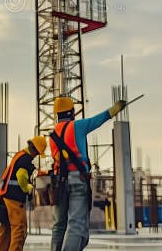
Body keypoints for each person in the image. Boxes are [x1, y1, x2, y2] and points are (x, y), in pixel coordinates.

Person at [50, 96, 127, 251]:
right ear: (72, 112)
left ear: (56, 114)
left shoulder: (53, 135)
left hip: (58, 181)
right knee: (76, 224)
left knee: (59, 225)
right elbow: (98, 119)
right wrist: (115, 109)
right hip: (77, 179)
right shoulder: (77, 126)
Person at [0, 136, 47, 251]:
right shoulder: (26, 159)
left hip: (5, 195)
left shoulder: (20, 155)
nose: (36, 156)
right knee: (19, 228)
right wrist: (28, 188)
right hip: (15, 198)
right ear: (35, 150)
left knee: (6, 228)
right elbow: (21, 176)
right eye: (37, 153)